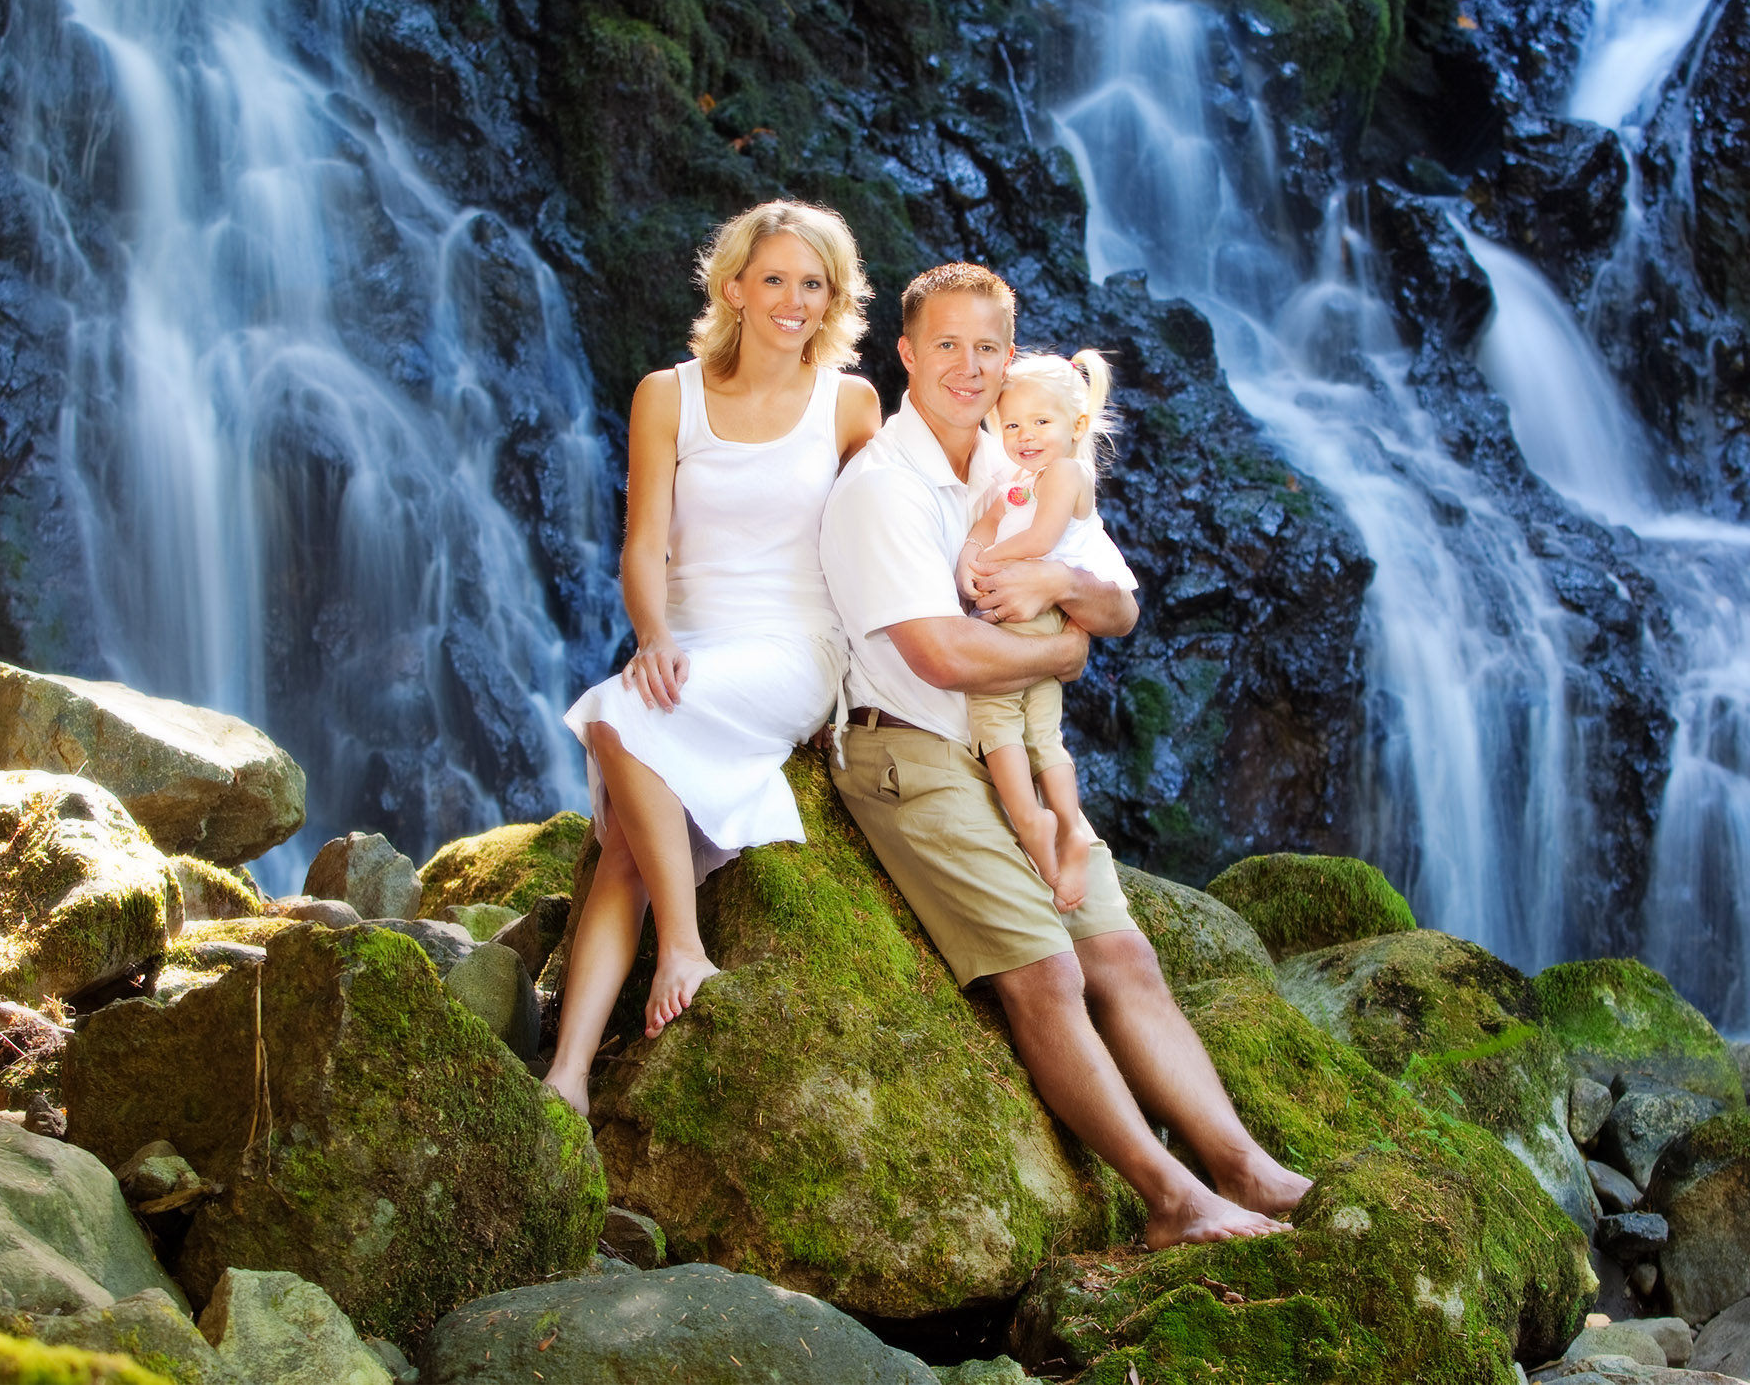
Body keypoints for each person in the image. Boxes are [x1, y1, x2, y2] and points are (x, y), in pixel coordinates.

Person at [819, 263, 1312, 1248]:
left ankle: (1242, 1167)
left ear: (1011, 357)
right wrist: (1057, 648)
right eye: (946, 344)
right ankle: (1172, 1200)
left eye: (986, 347)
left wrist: (1056, 583)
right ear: (905, 352)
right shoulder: (882, 487)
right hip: (910, 753)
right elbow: (941, 653)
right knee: (1046, 971)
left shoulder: (1023, 460)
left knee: (1122, 953)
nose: (968, 366)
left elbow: (1117, 605)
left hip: (1005, 747)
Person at [542, 200, 881, 1116]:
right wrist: (653, 637)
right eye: (774, 279)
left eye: (813, 284)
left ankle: (683, 946)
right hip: (687, 641)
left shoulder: (850, 405)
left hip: (793, 643)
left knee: (617, 720)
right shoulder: (668, 394)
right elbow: (642, 545)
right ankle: (569, 1073)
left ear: (833, 299)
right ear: (734, 288)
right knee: (625, 840)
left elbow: (883, 542)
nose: (793, 301)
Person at [958, 349, 1122, 914]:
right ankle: (1069, 833)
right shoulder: (1023, 479)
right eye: (1011, 425)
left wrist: (985, 566)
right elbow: (989, 523)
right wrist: (971, 552)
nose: (1025, 435)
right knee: (1042, 733)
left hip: (1031, 614)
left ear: (1077, 425)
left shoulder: (1066, 473)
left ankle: (1032, 823)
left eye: (1041, 422)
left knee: (992, 711)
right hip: (1035, 614)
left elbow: (1041, 539)